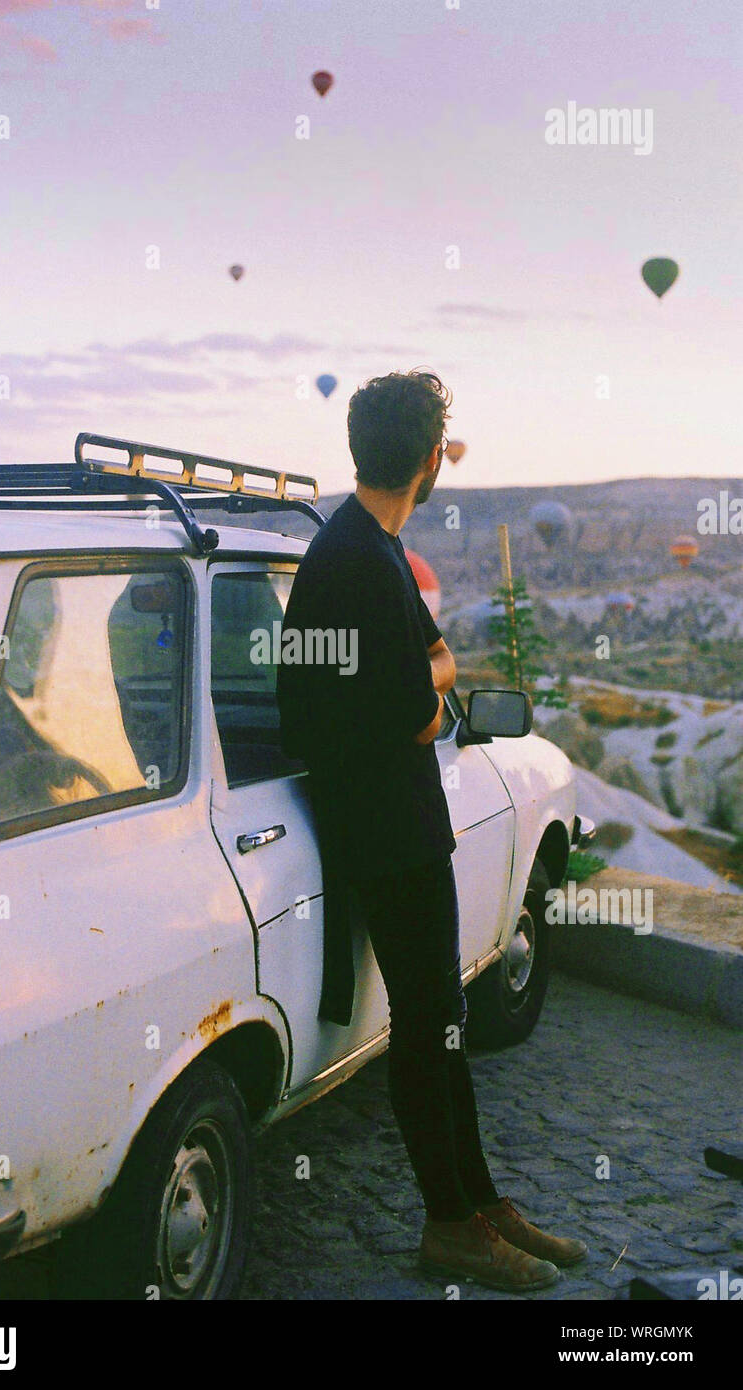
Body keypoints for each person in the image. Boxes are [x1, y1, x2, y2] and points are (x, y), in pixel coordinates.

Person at [276, 369, 587, 1292]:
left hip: (382, 820)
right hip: (391, 828)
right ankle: (451, 1224)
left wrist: (430, 672)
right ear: (427, 461)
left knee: (440, 1019)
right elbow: (423, 701)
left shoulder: (350, 548)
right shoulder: (368, 565)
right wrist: (435, 674)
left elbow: (407, 672)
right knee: (428, 1026)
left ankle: (480, 1202)